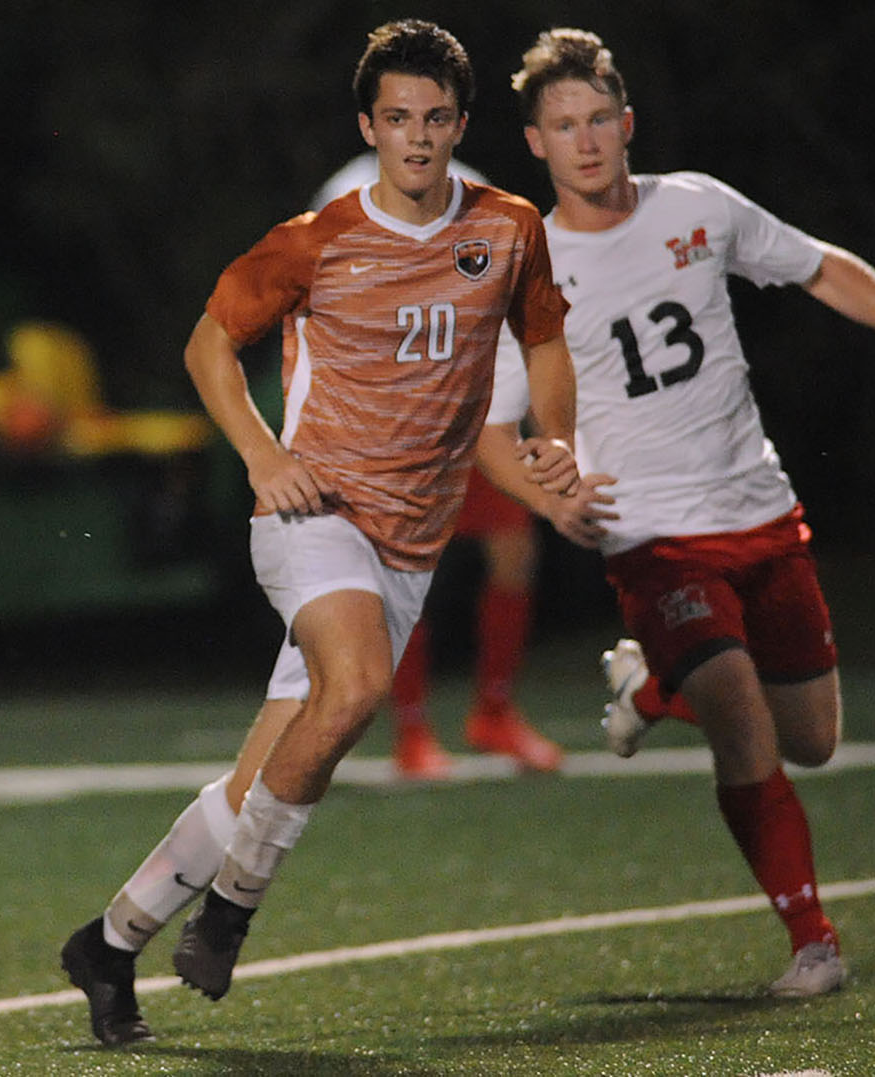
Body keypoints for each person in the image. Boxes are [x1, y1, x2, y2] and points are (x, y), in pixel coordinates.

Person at [59, 19, 587, 1046]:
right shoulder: (317, 240)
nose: (419, 139)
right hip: (312, 517)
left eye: (436, 119)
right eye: (399, 119)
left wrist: (556, 441)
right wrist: (262, 456)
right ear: (369, 126)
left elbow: (547, 339)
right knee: (355, 692)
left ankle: (110, 944)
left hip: (410, 545)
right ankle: (232, 917)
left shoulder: (511, 226)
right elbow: (210, 346)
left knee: (263, 777)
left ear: (462, 124)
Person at [508, 28, 875, 997]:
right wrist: (544, 498)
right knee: (743, 725)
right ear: (536, 144)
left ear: (627, 121)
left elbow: (817, 266)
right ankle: (814, 941)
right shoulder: (530, 264)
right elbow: (485, 419)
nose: (587, 139)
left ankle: (651, 691)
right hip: (650, 537)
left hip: (761, 513)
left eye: (599, 117)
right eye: (564, 125)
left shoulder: (698, 205)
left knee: (811, 738)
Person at [314, 157, 565, 779]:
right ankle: (412, 732)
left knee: (513, 547)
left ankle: (495, 712)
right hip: (390, 414)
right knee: (407, 571)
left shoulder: (473, 189)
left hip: (468, 401)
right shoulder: (346, 191)